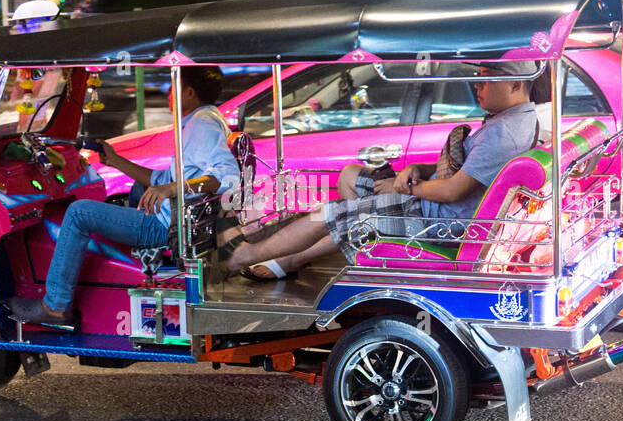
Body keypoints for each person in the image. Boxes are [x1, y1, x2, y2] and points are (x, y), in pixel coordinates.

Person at [224, 63, 541, 279]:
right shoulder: (515, 119)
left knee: (333, 213)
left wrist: (401, 188)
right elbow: (469, 171)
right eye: (479, 76)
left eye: (488, 78)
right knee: (350, 176)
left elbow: (454, 190)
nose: (478, 84)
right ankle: (332, 255)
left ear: (516, 83)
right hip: (440, 207)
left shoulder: (504, 133)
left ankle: (246, 256)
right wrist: (418, 169)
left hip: (438, 221)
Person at [9, 65, 240, 330]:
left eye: (173, 85)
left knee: (78, 213)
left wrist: (173, 189)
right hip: (170, 215)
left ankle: (56, 306)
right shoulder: (200, 121)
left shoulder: (202, 125)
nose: (168, 91)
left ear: (188, 92)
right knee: (129, 194)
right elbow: (158, 180)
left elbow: (227, 177)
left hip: (167, 224)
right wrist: (117, 161)